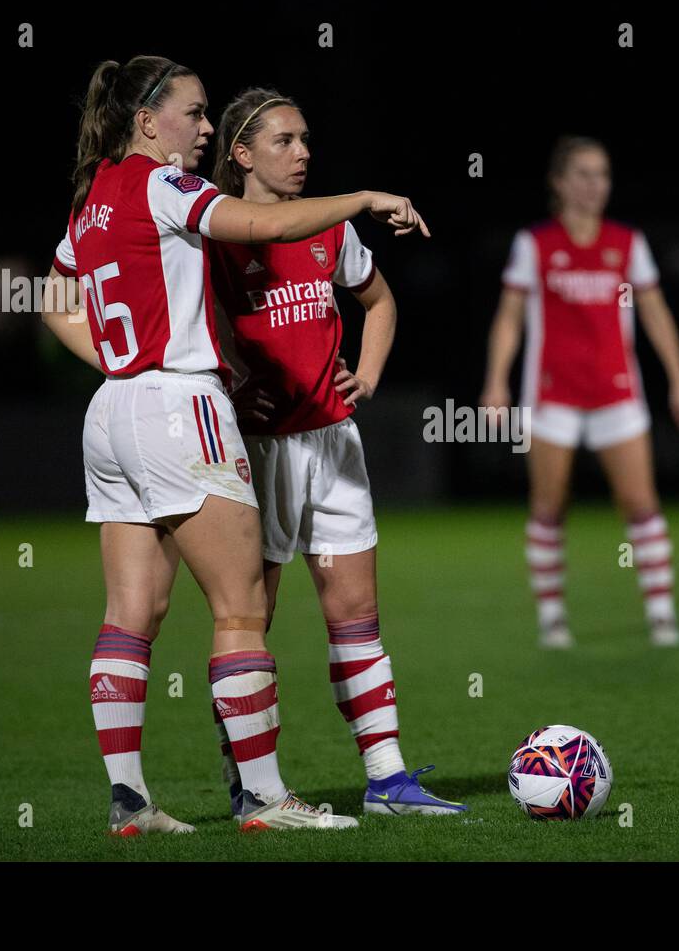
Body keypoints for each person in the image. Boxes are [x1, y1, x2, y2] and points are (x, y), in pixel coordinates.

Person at [40, 55, 429, 834]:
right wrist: (365, 197)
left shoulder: (94, 196)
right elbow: (268, 224)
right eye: (193, 112)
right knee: (243, 609)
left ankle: (129, 801)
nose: (204, 128)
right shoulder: (164, 184)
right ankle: (263, 796)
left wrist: (119, 361)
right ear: (147, 121)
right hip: (178, 405)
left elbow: (54, 298)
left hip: (113, 409)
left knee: (132, 612)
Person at [205, 87, 466, 816]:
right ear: (242, 153)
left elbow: (379, 302)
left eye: (306, 139)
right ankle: (250, 783)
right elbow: (191, 324)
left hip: (333, 442)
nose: (303, 153)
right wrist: (227, 386)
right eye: (284, 141)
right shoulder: (214, 233)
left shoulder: (328, 230)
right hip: (256, 451)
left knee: (356, 617)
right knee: (246, 623)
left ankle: (387, 780)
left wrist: (369, 376)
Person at [480, 136, 679, 649]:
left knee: (640, 503)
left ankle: (662, 615)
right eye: (582, 173)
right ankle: (553, 618)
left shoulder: (627, 242)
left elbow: (655, 313)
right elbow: (510, 318)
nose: (594, 184)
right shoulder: (535, 244)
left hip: (617, 392)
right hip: (551, 395)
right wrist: (495, 382)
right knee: (550, 505)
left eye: (601, 174)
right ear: (558, 182)